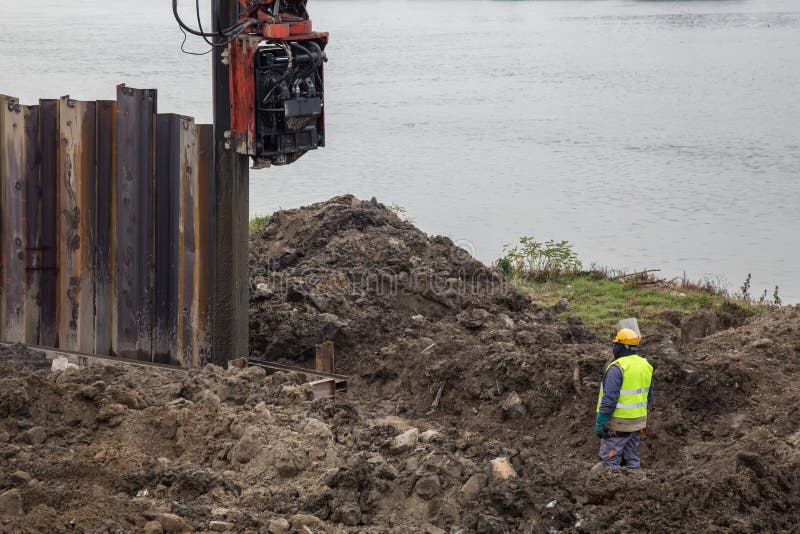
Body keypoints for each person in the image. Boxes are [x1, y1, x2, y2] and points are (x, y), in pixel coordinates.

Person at [594, 328, 653, 471]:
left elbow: (609, 401)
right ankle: (636, 482)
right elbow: (649, 396)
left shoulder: (617, 368)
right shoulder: (645, 365)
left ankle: (610, 484)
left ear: (621, 346)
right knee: (631, 458)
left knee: (609, 460)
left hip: (618, 424)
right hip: (637, 422)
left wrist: (600, 423)